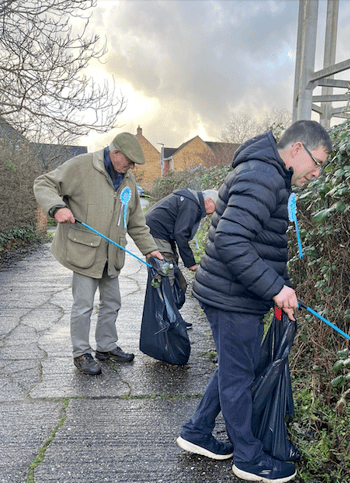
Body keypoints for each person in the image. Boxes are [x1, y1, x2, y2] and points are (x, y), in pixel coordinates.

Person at [176, 120, 332, 482]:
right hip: (232, 296)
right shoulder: (263, 176)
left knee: (236, 367)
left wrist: (281, 289)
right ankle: (248, 459)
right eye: (318, 163)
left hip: (236, 291)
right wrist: (275, 289)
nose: (317, 174)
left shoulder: (268, 173)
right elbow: (232, 240)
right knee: (238, 376)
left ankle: (197, 430)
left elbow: (264, 246)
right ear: (298, 149)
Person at [34, 133, 163, 376]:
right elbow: (44, 183)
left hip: (112, 253)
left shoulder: (127, 179)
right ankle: (81, 353)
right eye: (129, 161)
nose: (132, 167)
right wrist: (56, 207)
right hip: (84, 251)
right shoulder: (82, 165)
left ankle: (106, 347)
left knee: (112, 302)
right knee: (83, 305)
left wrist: (150, 249)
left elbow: (136, 221)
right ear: (116, 153)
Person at [144, 188, 218, 327]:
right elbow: (181, 234)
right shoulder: (191, 204)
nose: (215, 211)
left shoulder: (192, 201)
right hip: (156, 234)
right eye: (216, 206)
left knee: (176, 277)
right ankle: (166, 322)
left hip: (163, 235)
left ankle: (171, 318)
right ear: (209, 201)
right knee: (166, 277)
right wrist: (191, 263)